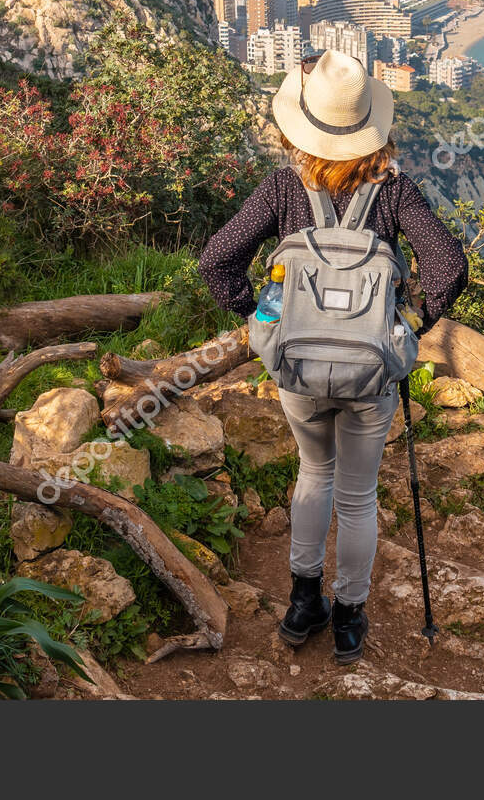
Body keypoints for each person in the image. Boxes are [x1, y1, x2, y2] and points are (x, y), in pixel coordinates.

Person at [199, 50, 469, 663]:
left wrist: (264, 320)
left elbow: (216, 261)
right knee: (357, 494)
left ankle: (301, 605)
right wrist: (408, 326)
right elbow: (450, 266)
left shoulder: (282, 187)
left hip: (298, 370)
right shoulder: (394, 191)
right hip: (373, 374)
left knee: (313, 475)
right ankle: (349, 620)